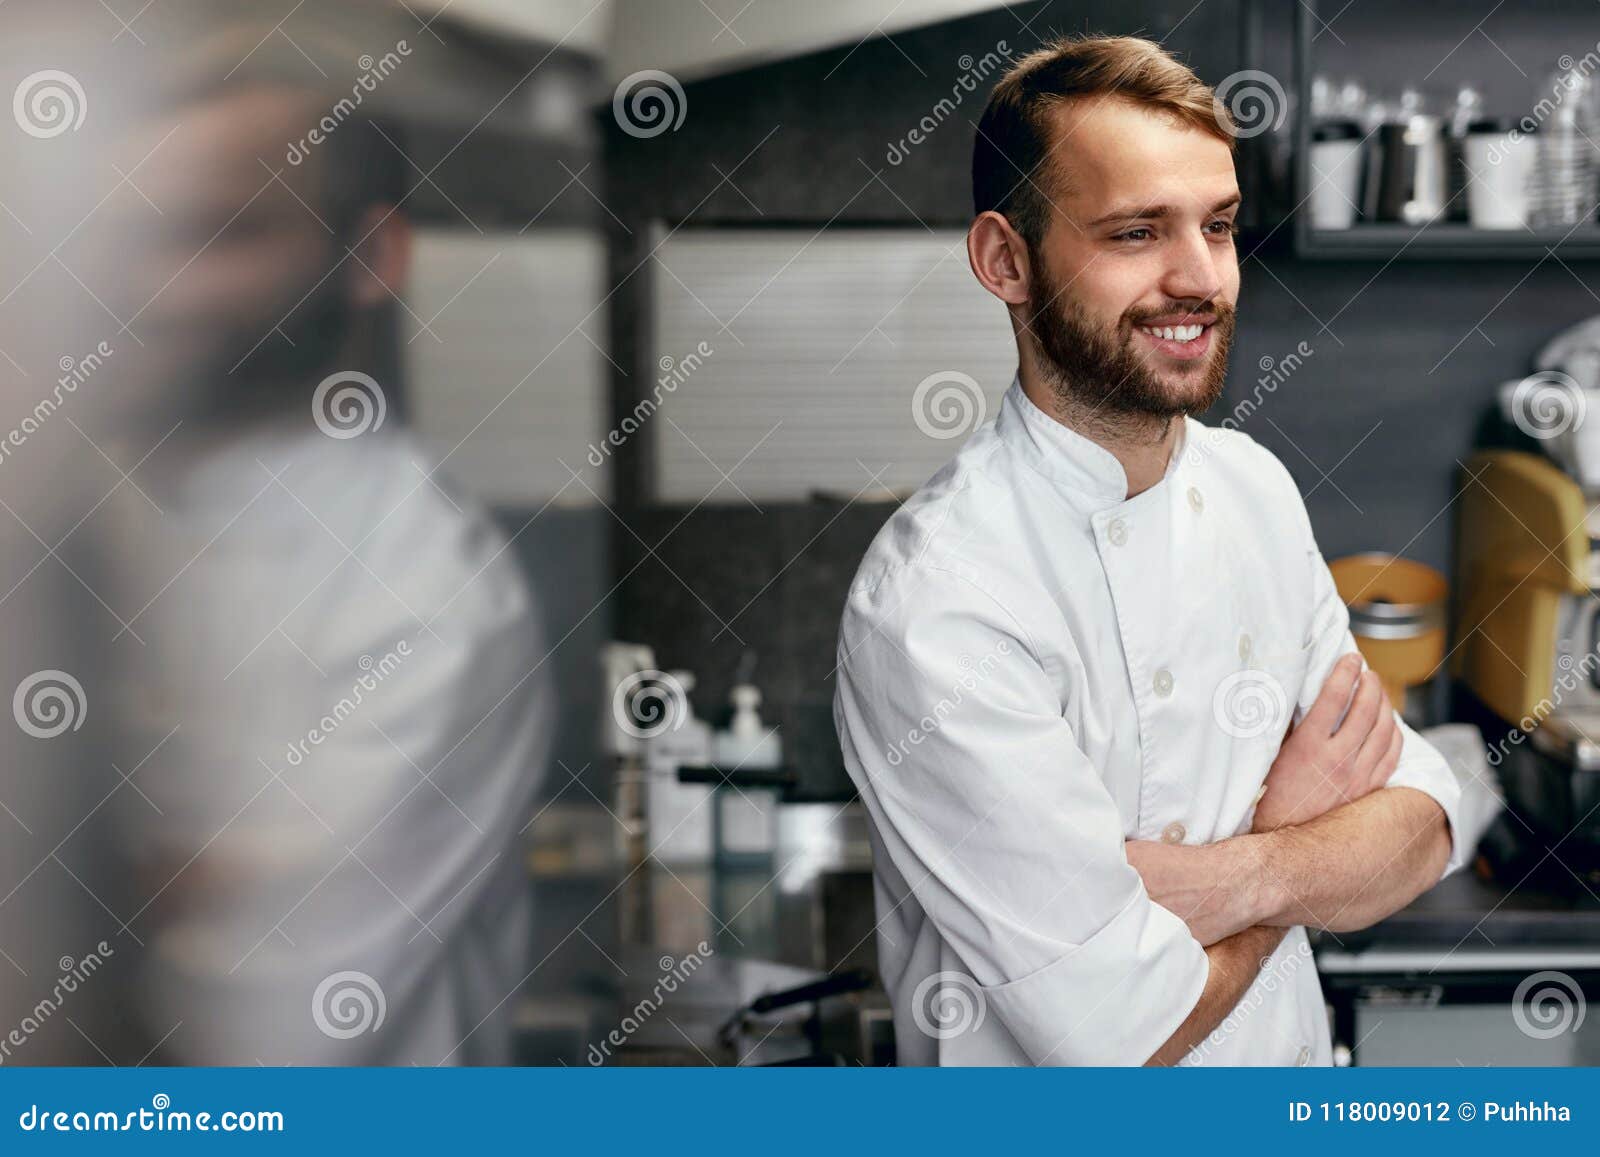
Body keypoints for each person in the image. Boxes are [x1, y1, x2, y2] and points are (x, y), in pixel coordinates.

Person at [832, 35, 1464, 1067]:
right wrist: (1304, 843)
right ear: (1004, 260)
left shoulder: (1252, 488)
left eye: (1216, 226)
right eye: (1135, 232)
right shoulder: (940, 598)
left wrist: (1239, 871)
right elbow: (1126, 1033)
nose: (1199, 277)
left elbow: (1424, 818)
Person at [84, 16, 551, 1065]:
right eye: (123, 238)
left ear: (368, 255)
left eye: (219, 234)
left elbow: (243, 1033)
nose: (152, 289)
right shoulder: (70, 514)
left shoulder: (419, 597)